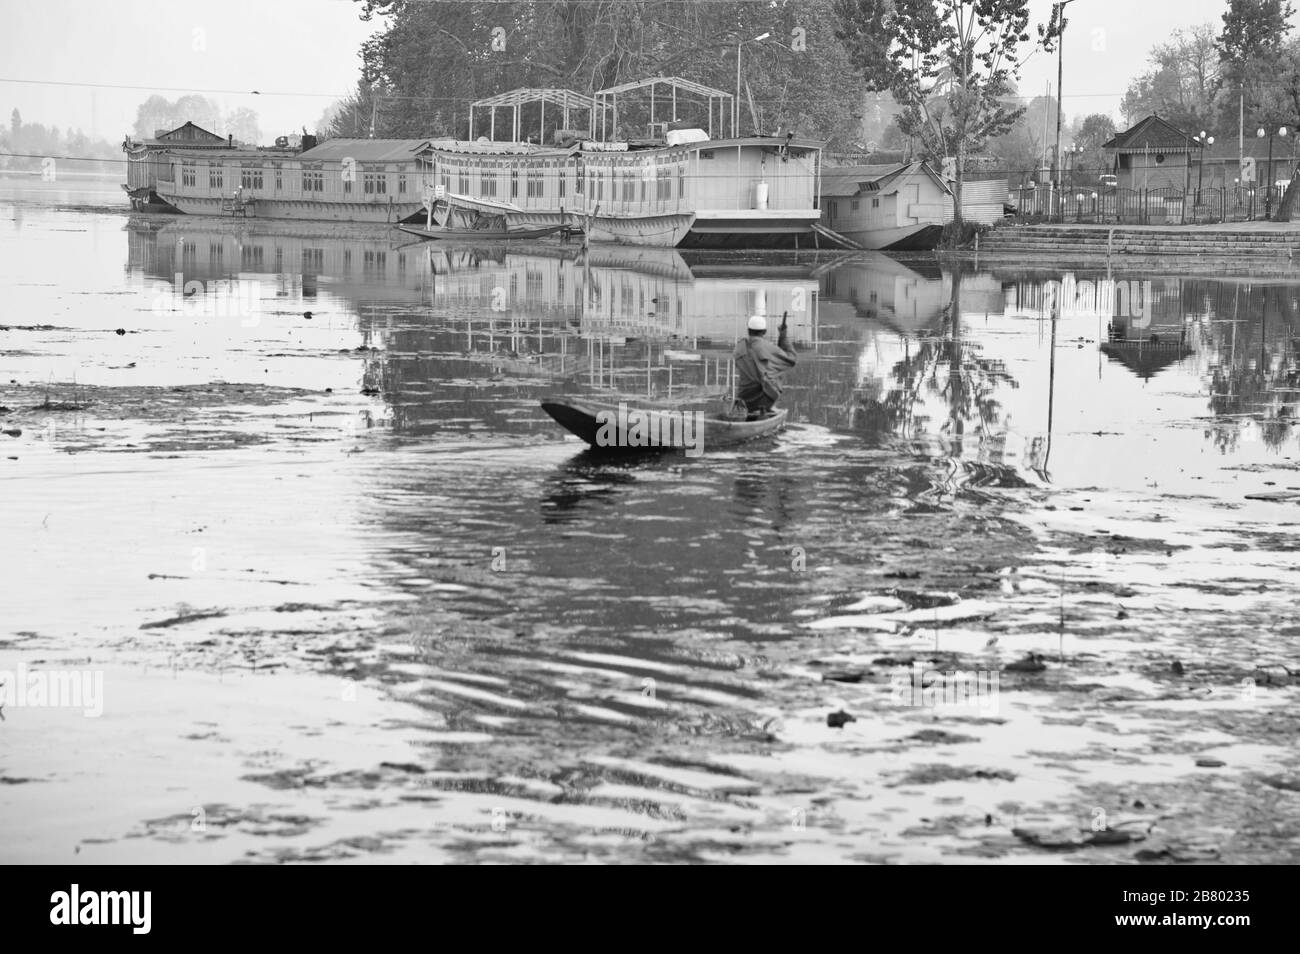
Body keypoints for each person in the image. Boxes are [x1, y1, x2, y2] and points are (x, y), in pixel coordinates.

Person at [732, 312, 796, 419]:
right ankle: (762, 409)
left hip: (743, 398)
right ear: (764, 332)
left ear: (748, 331)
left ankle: (753, 414)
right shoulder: (768, 347)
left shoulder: (738, 348)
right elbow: (791, 359)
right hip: (764, 397)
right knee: (775, 374)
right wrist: (783, 335)